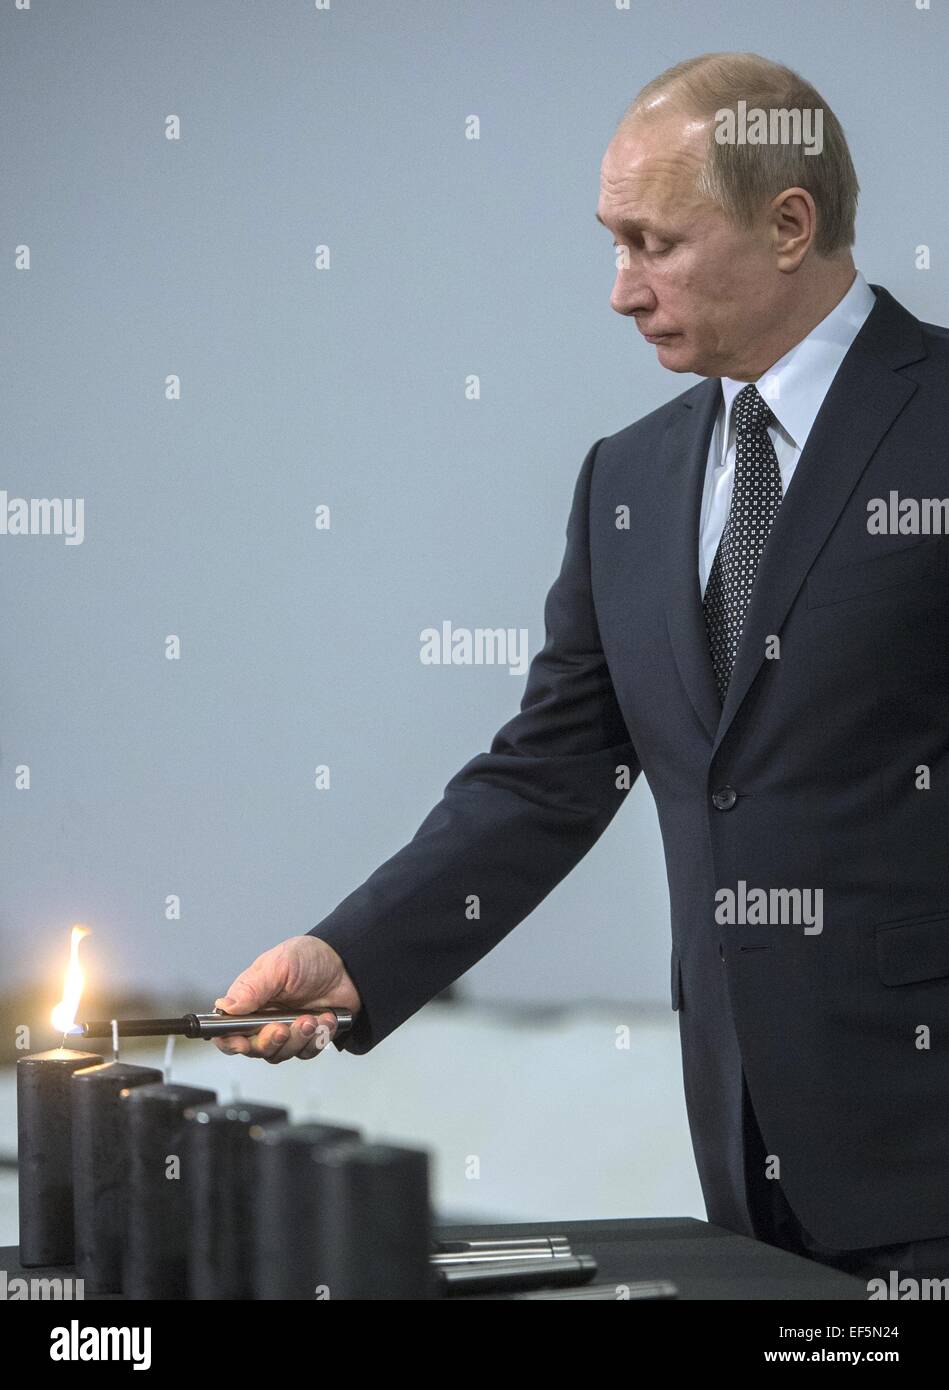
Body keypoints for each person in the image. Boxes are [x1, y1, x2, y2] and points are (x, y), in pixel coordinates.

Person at [213, 52, 949, 1281]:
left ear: (787, 225)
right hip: (742, 1154)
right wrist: (356, 955)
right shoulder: (627, 478)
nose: (620, 290)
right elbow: (548, 773)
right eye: (614, 243)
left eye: (654, 242)